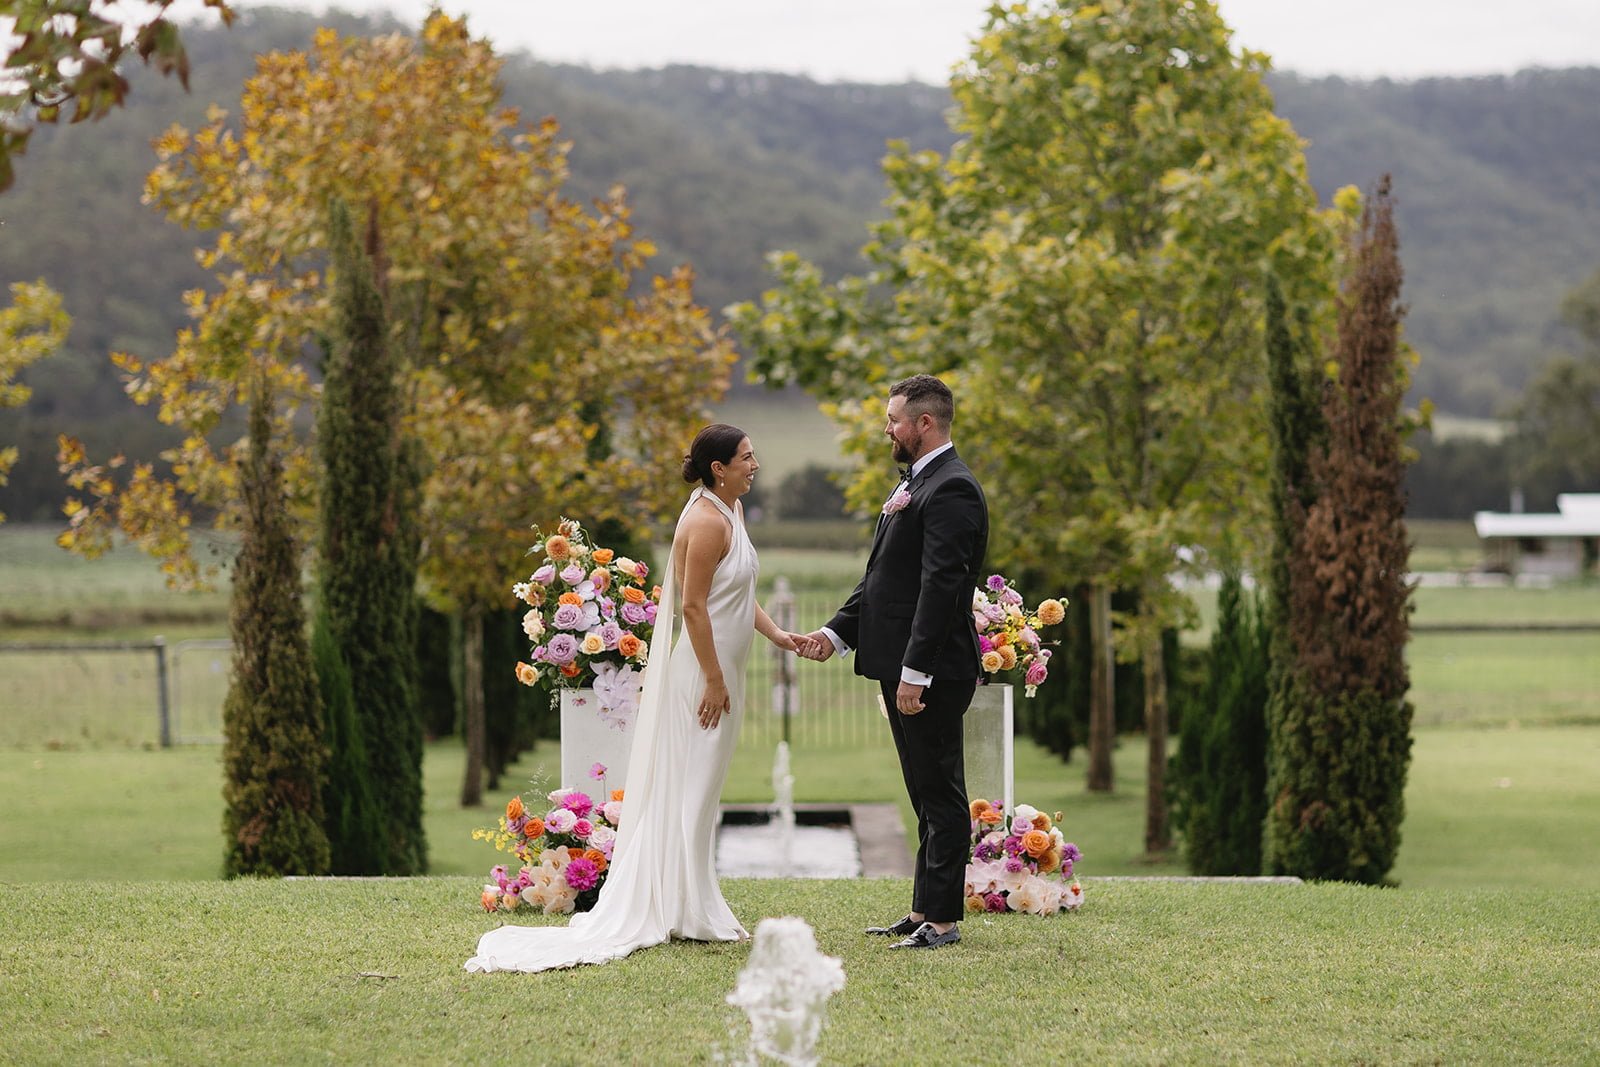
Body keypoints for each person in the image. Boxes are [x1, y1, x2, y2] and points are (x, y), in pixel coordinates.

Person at [466, 424, 803, 973]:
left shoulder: (732, 513)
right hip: (703, 677)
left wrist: (780, 637)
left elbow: (737, 595)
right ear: (719, 468)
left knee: (703, 788)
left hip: (725, 672)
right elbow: (694, 608)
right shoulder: (703, 521)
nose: (755, 464)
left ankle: (693, 901)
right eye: (746, 457)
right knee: (690, 788)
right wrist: (715, 680)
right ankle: (686, 910)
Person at [796, 374, 989, 951]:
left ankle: (944, 922)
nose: (887, 429)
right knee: (923, 790)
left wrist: (916, 671)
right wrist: (837, 632)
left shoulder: (952, 488)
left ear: (924, 424)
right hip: (904, 665)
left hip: (931, 670)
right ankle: (923, 910)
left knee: (942, 793)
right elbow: (884, 579)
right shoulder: (917, 483)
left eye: (893, 420)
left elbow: (940, 588)